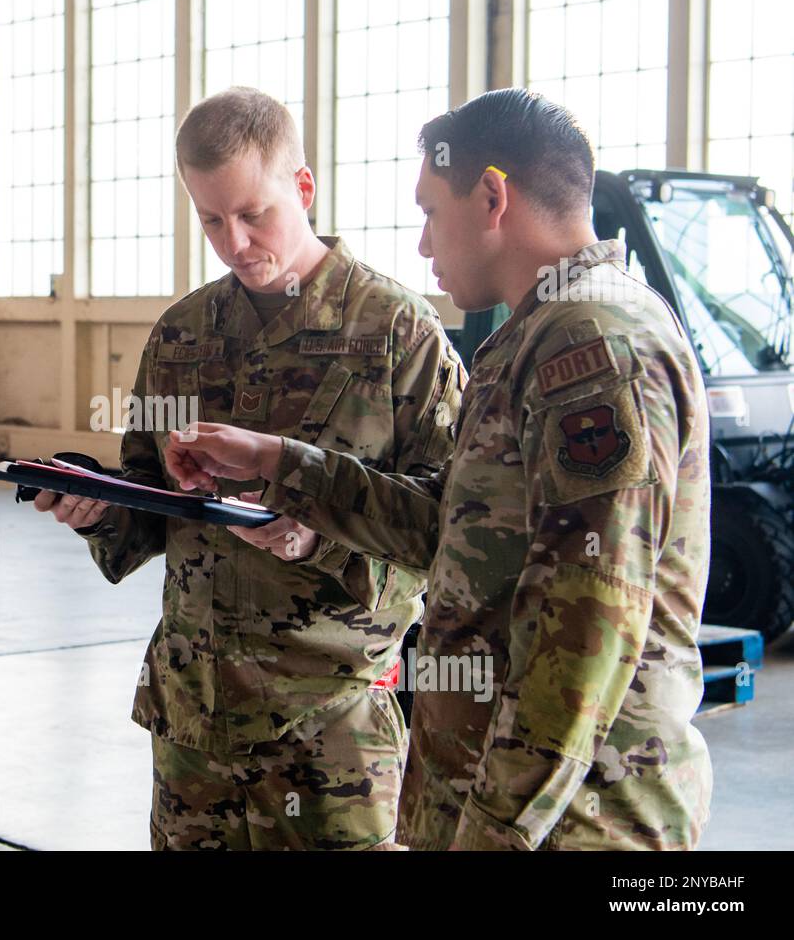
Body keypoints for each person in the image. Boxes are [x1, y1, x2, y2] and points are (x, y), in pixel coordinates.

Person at [163, 88, 713, 850]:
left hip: (570, 821)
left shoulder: (592, 347)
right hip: (503, 801)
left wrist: (491, 833)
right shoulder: (539, 335)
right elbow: (450, 529)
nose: (423, 245)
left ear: (491, 196)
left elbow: (588, 628)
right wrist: (277, 461)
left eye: (429, 212)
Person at [32, 87, 465, 849]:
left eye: (253, 213)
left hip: (329, 731)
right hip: (194, 727)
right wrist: (95, 504)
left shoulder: (399, 335)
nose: (234, 241)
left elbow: (446, 536)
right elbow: (150, 507)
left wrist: (315, 538)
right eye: (210, 219)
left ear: (302, 188)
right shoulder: (181, 337)